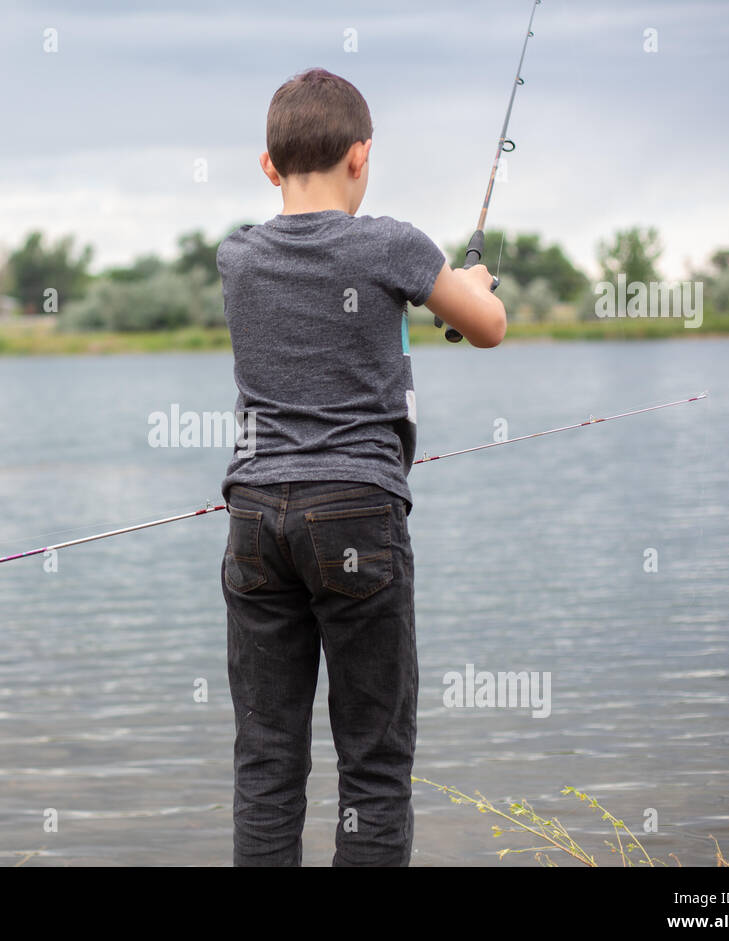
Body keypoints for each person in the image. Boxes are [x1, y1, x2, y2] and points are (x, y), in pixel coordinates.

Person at [217, 67, 506, 866]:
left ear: (268, 166)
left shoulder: (236, 256)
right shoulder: (393, 244)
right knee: (374, 763)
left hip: (254, 521)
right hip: (358, 515)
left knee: (267, 760)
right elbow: (487, 326)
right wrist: (473, 281)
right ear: (362, 155)